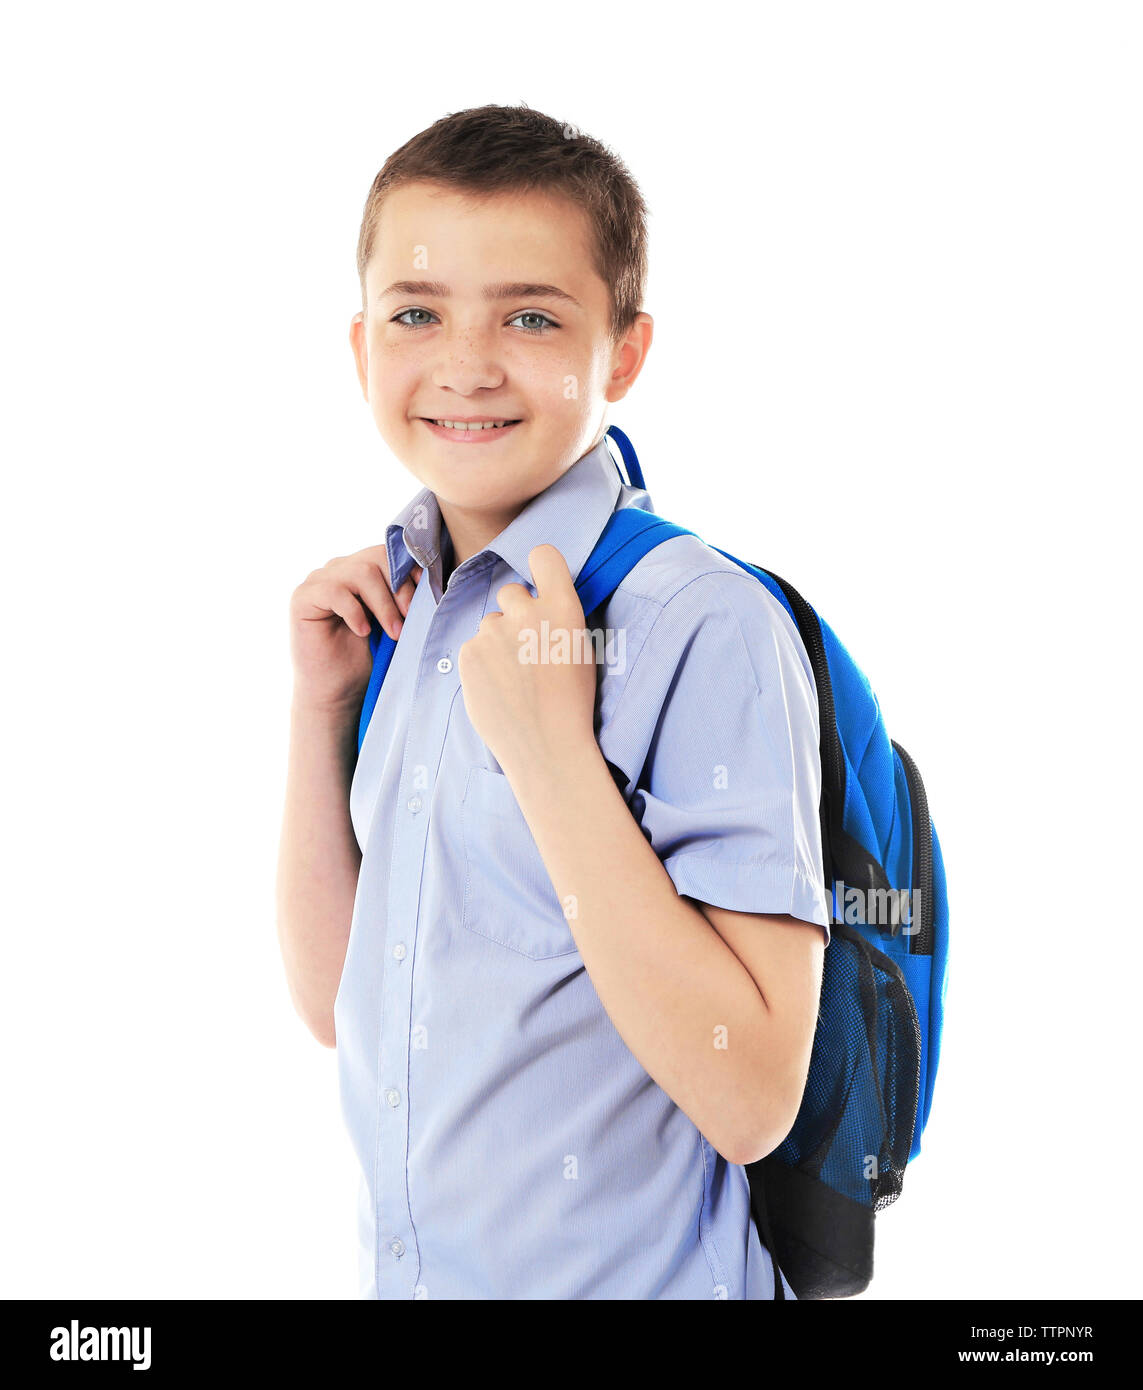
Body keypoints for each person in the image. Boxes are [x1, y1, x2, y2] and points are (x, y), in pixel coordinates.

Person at [276, 103, 830, 1300]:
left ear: (624, 353)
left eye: (531, 317)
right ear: (363, 345)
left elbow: (749, 1098)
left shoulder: (699, 620)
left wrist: (552, 758)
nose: (467, 365)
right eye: (418, 313)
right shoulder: (414, 605)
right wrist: (320, 713)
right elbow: (338, 1002)